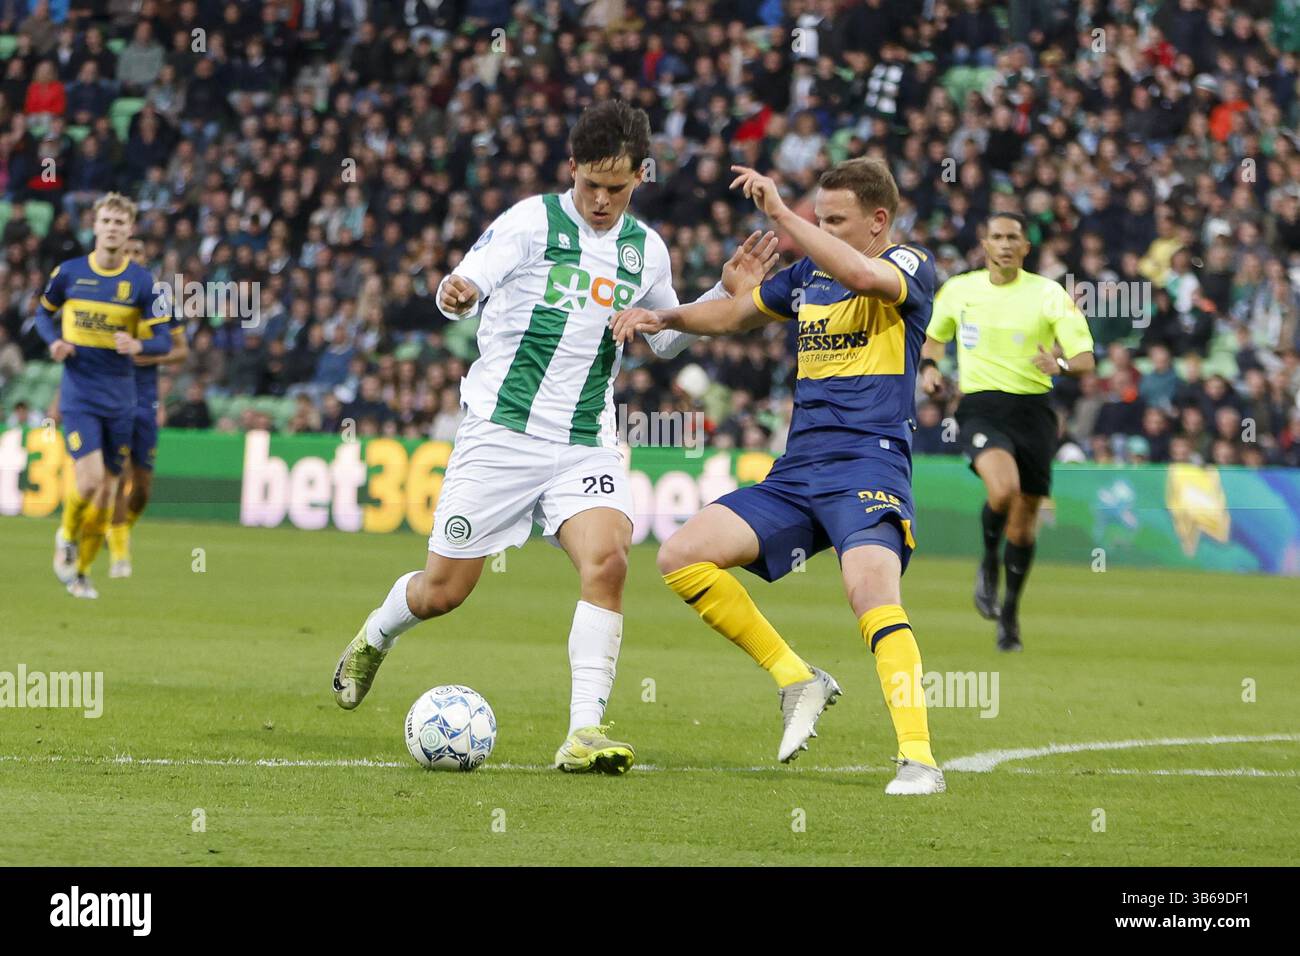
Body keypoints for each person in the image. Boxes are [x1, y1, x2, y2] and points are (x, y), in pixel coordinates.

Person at [330, 100, 779, 775]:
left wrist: (723, 289)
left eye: (617, 187)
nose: (601, 200)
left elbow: (662, 339)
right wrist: (455, 292)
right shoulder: (530, 222)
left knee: (610, 560)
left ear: (639, 178)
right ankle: (375, 634)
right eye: (590, 184)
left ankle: (583, 733)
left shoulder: (645, 249)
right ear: (571, 169)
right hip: (500, 434)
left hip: (584, 440)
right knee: (443, 591)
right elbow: (469, 279)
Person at [613, 157, 947, 796]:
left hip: (868, 465)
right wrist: (666, 318)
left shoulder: (909, 267)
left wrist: (784, 215)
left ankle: (918, 760)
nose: (821, 231)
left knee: (872, 595)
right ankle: (798, 678)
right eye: (818, 218)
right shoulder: (806, 278)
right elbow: (736, 315)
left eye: (835, 221)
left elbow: (858, 272)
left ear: (879, 221)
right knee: (683, 556)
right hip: (798, 470)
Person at [921, 213, 1095, 651]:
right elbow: (935, 336)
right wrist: (929, 368)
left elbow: (1085, 359)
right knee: (1003, 492)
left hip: (1034, 412)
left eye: (1012, 238)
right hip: (981, 407)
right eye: (995, 236)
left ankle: (1010, 614)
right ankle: (987, 564)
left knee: (1025, 521)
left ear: (1025, 248)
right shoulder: (959, 289)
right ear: (984, 243)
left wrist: (1057, 364)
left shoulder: (1048, 293)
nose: (1003, 244)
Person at [35, 193, 172, 598]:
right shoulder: (69, 273)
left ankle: (79, 572)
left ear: (130, 230)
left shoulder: (143, 283)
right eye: (106, 221)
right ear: (94, 226)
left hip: (122, 397)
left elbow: (164, 338)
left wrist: (139, 346)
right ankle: (65, 534)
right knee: (91, 480)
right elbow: (43, 312)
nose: (112, 228)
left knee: (109, 492)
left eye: (120, 222)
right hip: (79, 393)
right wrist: (54, 341)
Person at [103, 236, 189, 578]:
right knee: (119, 472)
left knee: (142, 489)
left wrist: (147, 353)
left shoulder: (159, 299)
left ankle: (119, 528)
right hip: (113, 393)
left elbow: (182, 351)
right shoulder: (104, 297)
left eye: (139, 252)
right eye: (127, 252)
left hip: (146, 397)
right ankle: (120, 556)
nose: (134, 257)